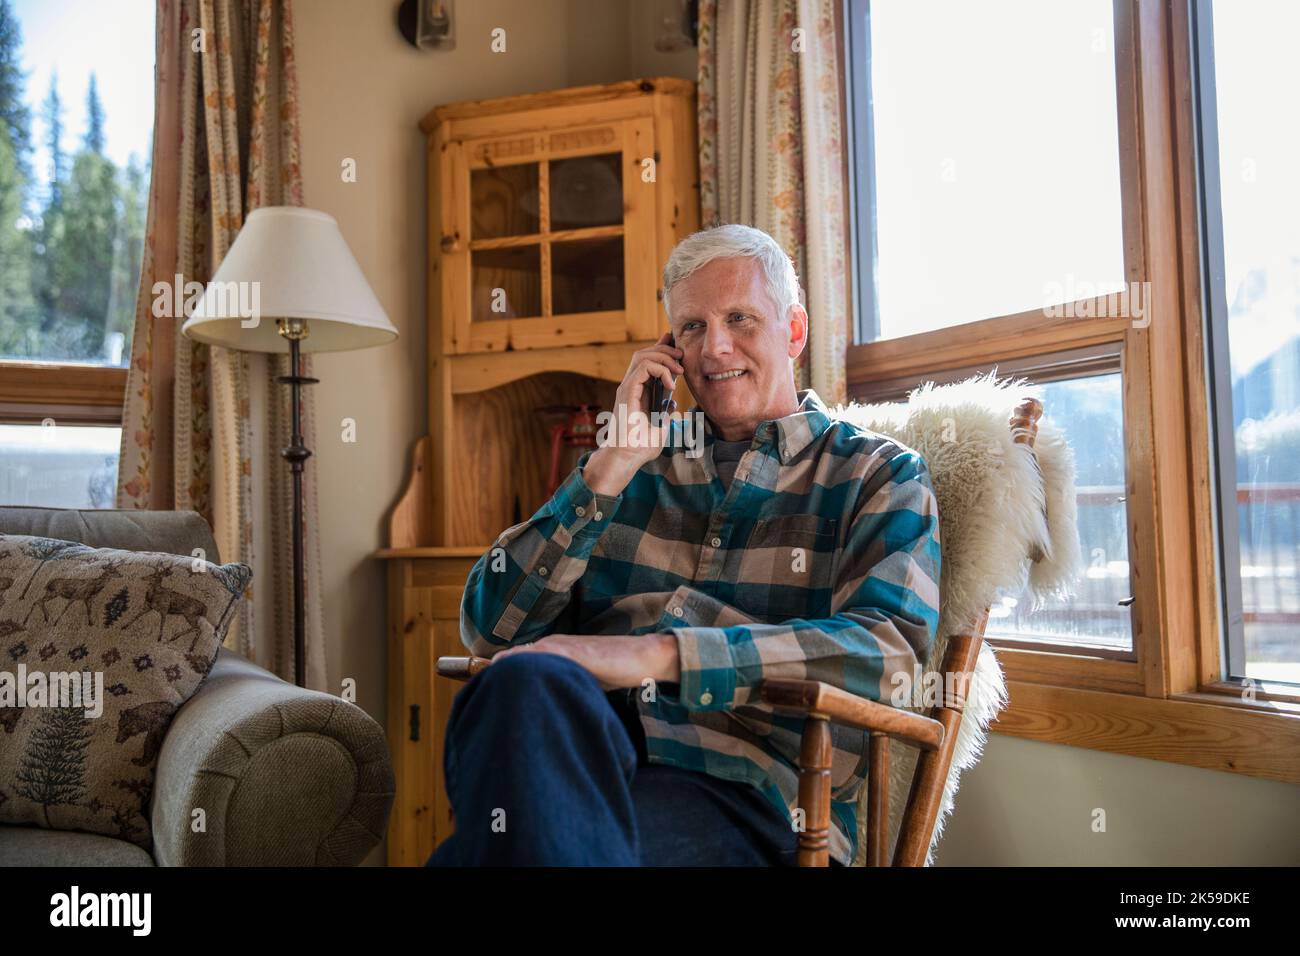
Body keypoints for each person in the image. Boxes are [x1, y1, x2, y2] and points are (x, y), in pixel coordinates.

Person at [426, 223, 942, 867]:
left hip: (756, 797)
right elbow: (488, 629)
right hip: (590, 760)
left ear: (795, 331)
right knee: (522, 681)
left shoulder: (878, 474)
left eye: (740, 318)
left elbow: (890, 657)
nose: (715, 347)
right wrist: (609, 466)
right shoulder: (628, 469)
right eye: (692, 327)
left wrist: (658, 655)